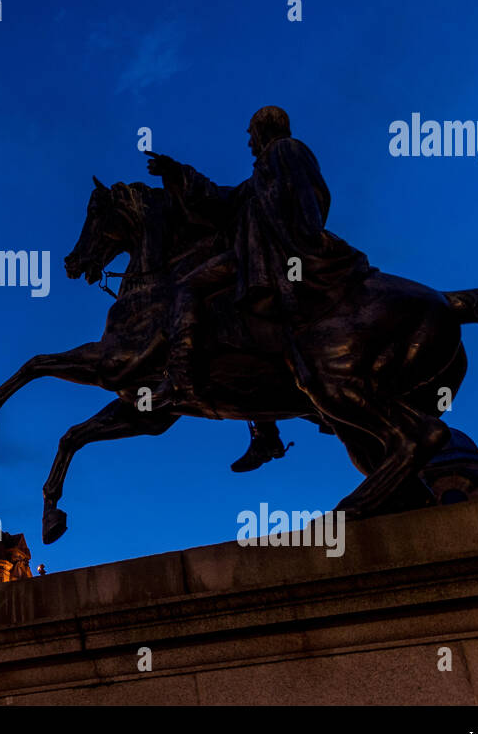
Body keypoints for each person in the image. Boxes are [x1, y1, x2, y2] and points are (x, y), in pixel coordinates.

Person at [146, 106, 371, 471]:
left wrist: (300, 241)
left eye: (251, 133)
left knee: (187, 285)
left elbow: (309, 199)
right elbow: (225, 201)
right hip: (261, 252)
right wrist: (177, 173)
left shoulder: (285, 151)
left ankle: (179, 377)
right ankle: (264, 431)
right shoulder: (264, 168)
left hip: (271, 255)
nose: (249, 142)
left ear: (264, 129)